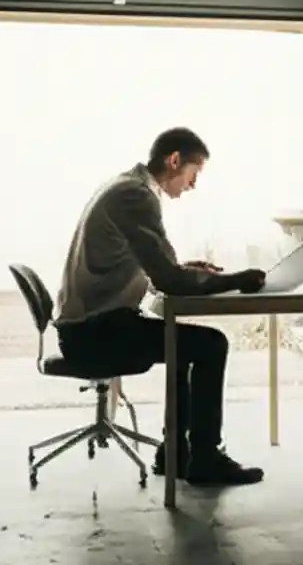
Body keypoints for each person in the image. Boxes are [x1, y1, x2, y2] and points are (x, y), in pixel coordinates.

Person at [54, 127, 267, 486]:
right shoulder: (135, 195)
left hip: (87, 327)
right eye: (194, 173)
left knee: (185, 346)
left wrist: (185, 270)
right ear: (174, 161)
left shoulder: (126, 187)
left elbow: (150, 267)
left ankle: (177, 454)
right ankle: (204, 459)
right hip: (95, 333)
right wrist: (236, 279)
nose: (193, 184)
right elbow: (168, 280)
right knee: (211, 345)